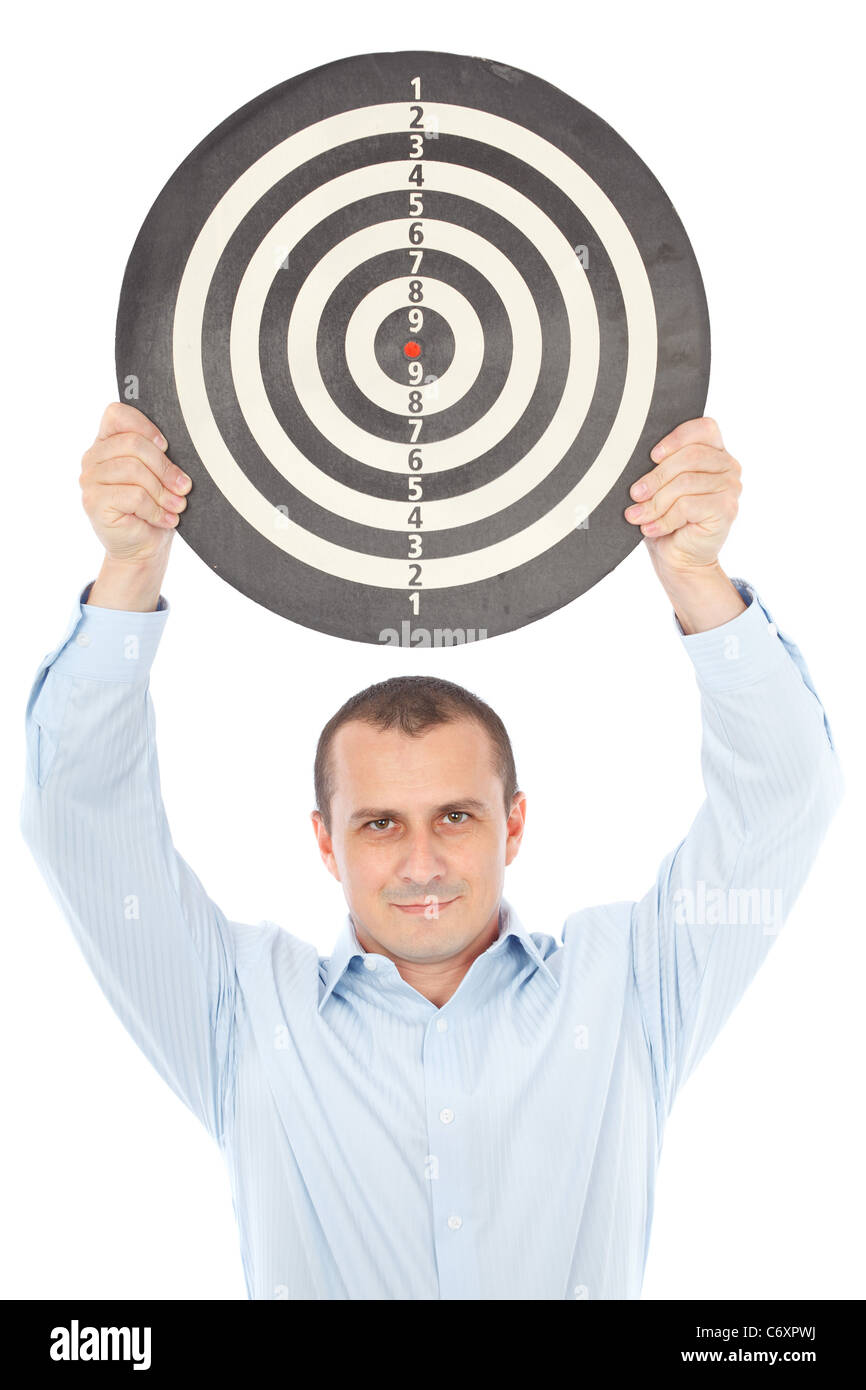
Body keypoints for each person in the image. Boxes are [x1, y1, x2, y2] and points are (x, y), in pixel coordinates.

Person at [20, 402, 843, 1300]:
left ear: (514, 825)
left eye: (455, 815)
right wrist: (131, 568)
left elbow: (784, 795)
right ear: (325, 844)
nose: (421, 863)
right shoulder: (241, 1011)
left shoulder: (629, 991)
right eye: (379, 824)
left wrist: (696, 578)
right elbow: (83, 818)